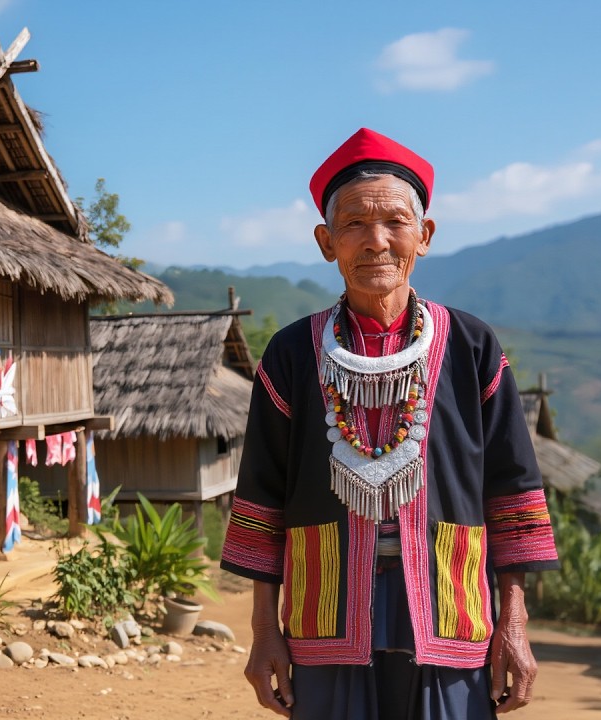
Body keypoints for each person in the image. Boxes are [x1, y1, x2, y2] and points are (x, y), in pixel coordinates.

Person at [220, 128, 560, 719]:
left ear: (424, 236)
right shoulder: (293, 353)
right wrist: (262, 628)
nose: (375, 241)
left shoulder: (472, 347)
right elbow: (263, 497)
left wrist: (515, 623)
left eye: (395, 222)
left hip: (449, 601)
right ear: (327, 243)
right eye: (352, 224)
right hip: (325, 603)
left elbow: (511, 490)